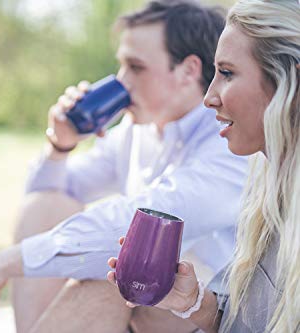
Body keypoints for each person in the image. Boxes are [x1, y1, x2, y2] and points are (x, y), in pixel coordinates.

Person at [0, 1, 249, 332]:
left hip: (212, 314)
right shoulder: (135, 132)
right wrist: (60, 144)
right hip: (149, 308)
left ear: (187, 71)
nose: (121, 82)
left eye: (135, 67)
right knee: (46, 204)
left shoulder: (229, 140)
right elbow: (49, 196)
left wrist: (11, 261)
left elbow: (143, 219)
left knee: (112, 280)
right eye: (121, 66)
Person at [108, 0, 300, 331]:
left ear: (290, 82)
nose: (209, 97)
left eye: (227, 73)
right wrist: (193, 302)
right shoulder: (271, 193)